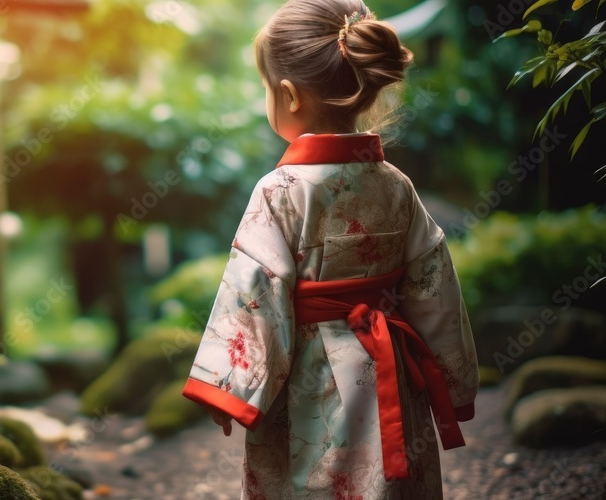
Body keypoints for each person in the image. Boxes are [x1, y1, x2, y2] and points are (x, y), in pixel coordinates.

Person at [180, 0, 480, 498]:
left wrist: (227, 386)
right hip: (393, 369)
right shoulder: (396, 184)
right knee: (391, 475)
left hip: (308, 375)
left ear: (289, 95)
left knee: (310, 477)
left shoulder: (279, 190)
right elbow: (434, 288)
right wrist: (455, 377)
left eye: (265, 89)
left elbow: (256, 288)